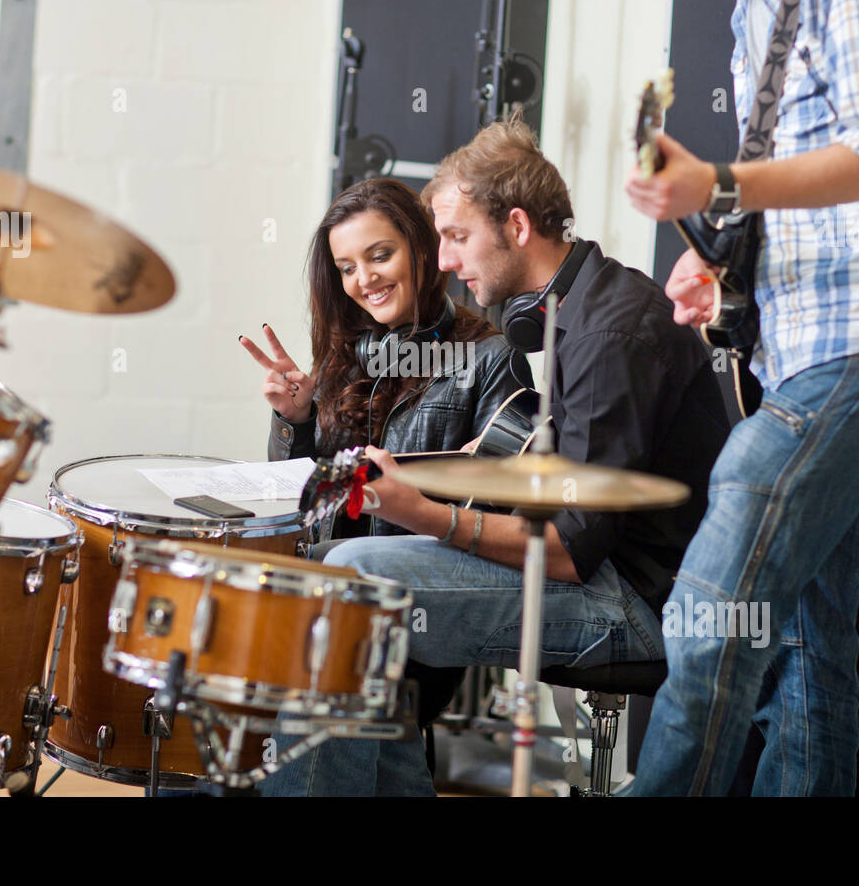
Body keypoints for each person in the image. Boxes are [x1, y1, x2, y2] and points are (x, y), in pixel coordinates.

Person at [260, 118, 731, 796]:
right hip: (603, 580)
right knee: (342, 579)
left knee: (352, 579)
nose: (445, 261)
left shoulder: (609, 330)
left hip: (633, 607)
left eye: (454, 237)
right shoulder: (581, 310)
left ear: (515, 226)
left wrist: (422, 511)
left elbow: (570, 552)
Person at [622, 0, 859, 795]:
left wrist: (718, 186)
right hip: (808, 346)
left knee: (710, 609)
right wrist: (720, 261)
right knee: (811, 644)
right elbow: (800, 181)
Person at [241, 177, 530, 539]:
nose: (364, 279)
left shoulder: (490, 360)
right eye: (347, 268)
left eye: (380, 256)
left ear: (421, 250)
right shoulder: (344, 354)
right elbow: (301, 504)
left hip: (412, 580)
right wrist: (295, 421)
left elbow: (497, 519)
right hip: (328, 568)